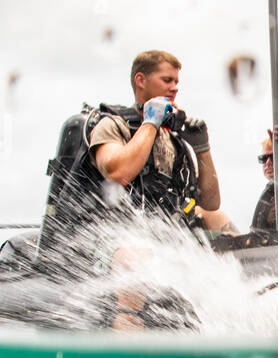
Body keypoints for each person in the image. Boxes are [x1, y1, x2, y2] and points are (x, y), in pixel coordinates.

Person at [85, 50, 222, 328]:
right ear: (141, 80)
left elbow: (211, 201)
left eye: (177, 82)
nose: (174, 87)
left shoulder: (176, 141)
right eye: (167, 80)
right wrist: (150, 123)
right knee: (134, 258)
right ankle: (129, 345)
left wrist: (202, 148)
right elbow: (118, 172)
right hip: (116, 242)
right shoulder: (112, 125)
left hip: (168, 241)